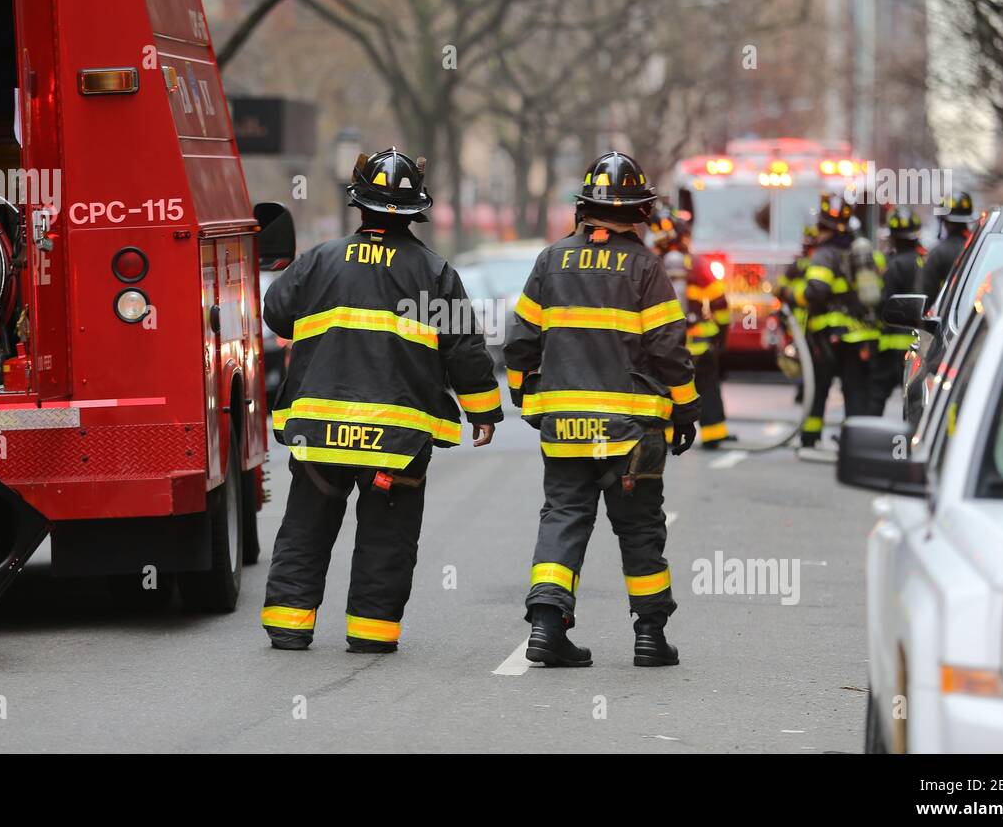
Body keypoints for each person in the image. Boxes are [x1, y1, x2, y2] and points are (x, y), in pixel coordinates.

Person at [260, 147, 501, 653]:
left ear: (360, 203)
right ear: (416, 209)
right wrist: (484, 412)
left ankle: (288, 625)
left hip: (320, 432)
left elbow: (277, 315)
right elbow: (464, 350)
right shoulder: (434, 274)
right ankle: (371, 634)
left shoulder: (318, 262)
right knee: (387, 537)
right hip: (397, 441)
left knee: (306, 526)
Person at [504, 151, 698, 669]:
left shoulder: (550, 260)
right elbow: (668, 349)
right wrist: (685, 411)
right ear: (638, 211)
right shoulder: (645, 267)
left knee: (563, 518)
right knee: (638, 530)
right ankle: (650, 638)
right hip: (632, 433)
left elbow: (520, 340)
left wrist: (526, 394)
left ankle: (547, 629)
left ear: (584, 208)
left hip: (565, 428)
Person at [800, 194, 879, 447]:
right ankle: (856, 442)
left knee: (817, 388)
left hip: (828, 335)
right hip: (860, 335)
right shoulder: (860, 250)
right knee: (855, 390)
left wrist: (792, 295)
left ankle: (810, 438)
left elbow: (816, 291)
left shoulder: (824, 254)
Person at [648, 206, 730, 447]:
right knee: (707, 386)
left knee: (666, 387)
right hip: (700, 343)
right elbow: (720, 302)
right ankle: (715, 434)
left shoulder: (651, 264)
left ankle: (669, 434)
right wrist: (721, 336)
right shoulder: (697, 265)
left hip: (666, 345)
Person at [868, 207, 926, 415]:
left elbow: (884, 303)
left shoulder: (894, 266)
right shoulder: (925, 261)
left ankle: (867, 437)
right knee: (913, 397)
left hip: (891, 343)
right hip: (920, 342)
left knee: (876, 393)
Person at [776, 219, 819, 403]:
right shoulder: (816, 261)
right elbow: (781, 288)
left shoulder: (799, 263)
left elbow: (780, 288)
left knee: (805, 356)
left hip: (801, 319)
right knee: (806, 357)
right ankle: (805, 389)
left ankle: (805, 390)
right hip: (807, 318)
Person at [921, 192, 978, 307]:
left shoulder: (937, 254)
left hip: (943, 319)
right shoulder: (979, 248)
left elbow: (926, 296)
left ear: (944, 221)